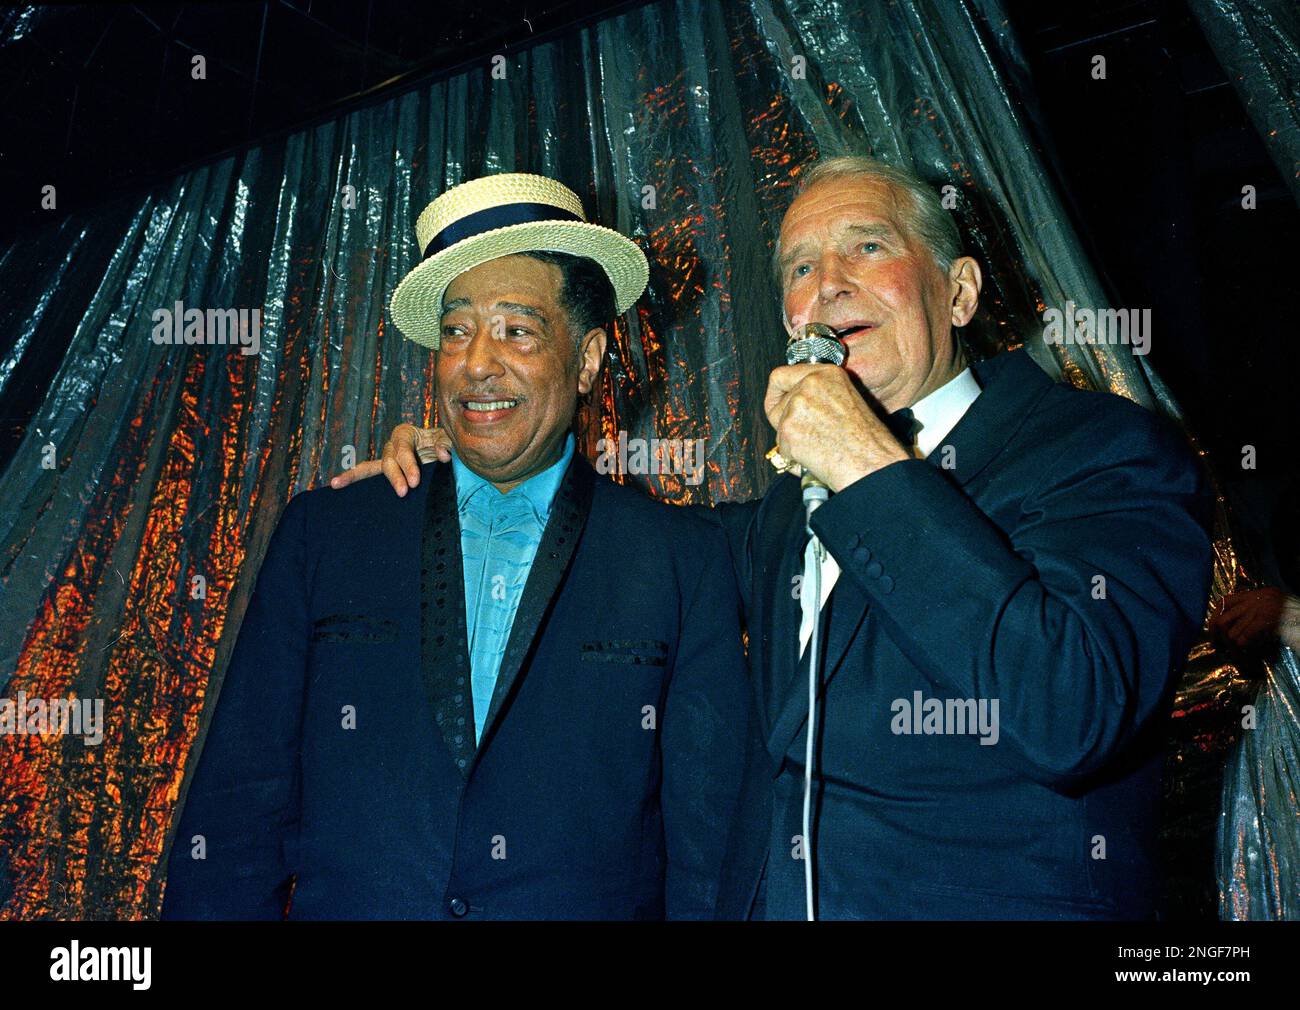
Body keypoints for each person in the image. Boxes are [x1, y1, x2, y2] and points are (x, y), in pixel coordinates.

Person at [337, 156, 1215, 919]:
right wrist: (486, 463)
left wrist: (869, 467)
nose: (826, 284)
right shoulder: (780, 517)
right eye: (799, 266)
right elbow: (624, 542)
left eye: (867, 247)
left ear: (959, 292)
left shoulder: (1106, 454)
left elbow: (1073, 710)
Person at [161, 173, 749, 920]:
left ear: (591, 358)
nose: (476, 363)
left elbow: (709, 856)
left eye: (516, 330)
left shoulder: (676, 561)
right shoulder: (330, 532)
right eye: (456, 330)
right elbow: (236, 814)